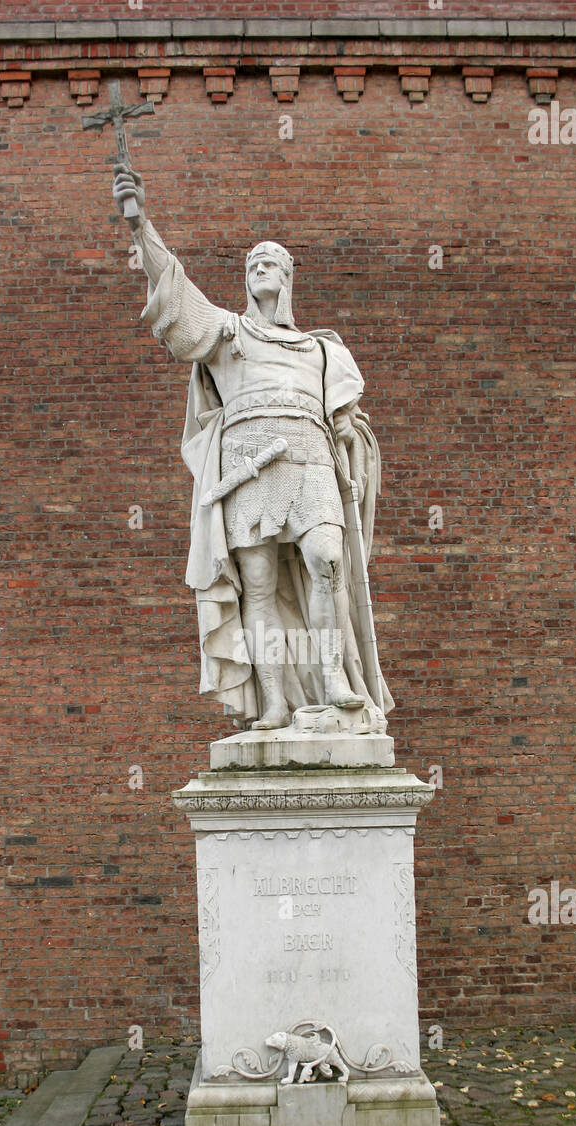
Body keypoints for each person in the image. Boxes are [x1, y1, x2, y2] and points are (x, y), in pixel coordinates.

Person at [112, 162, 392, 731]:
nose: (259, 266)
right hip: (247, 467)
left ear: (287, 276)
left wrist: (348, 436)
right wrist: (141, 228)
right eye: (251, 263)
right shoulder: (229, 334)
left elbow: (350, 421)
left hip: (310, 461)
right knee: (258, 584)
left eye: (270, 261)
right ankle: (272, 702)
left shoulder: (321, 351)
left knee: (327, 562)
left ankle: (334, 677)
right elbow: (177, 294)